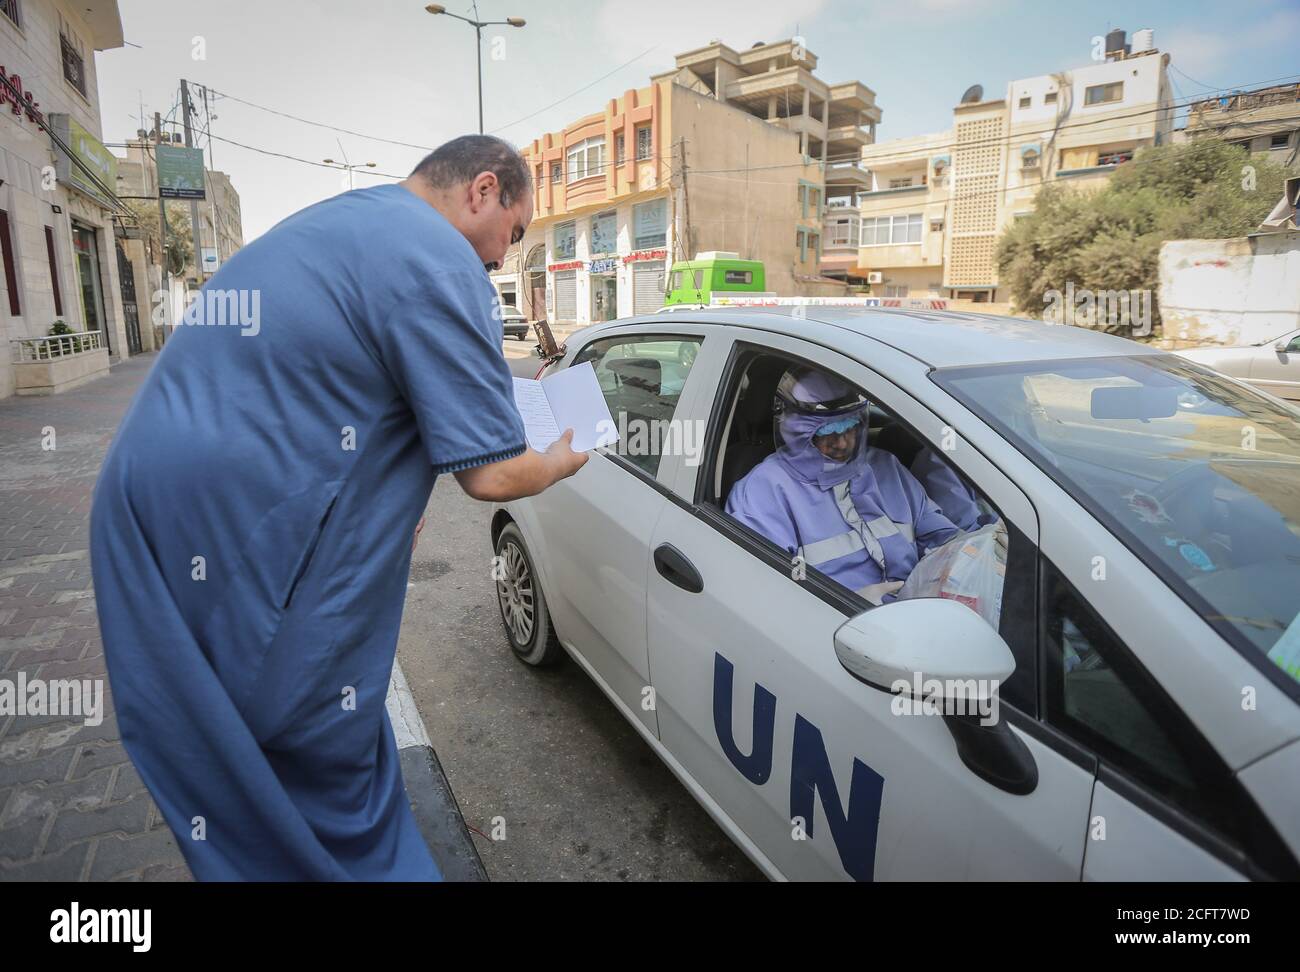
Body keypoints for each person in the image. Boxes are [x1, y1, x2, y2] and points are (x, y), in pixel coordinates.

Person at [89, 135, 586, 881]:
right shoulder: (439, 258)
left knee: (232, 753)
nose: (505, 259)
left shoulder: (352, 219)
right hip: (246, 541)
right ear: (484, 190)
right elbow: (490, 476)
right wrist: (557, 461)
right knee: (317, 750)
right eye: (514, 233)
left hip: (151, 509)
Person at [726, 368, 961, 604]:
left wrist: (972, 552)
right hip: (832, 625)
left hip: (919, 608)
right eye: (827, 433)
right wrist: (842, 604)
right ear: (796, 432)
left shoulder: (885, 467)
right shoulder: (764, 490)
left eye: (850, 428)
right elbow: (764, 589)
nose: (842, 443)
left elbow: (941, 536)